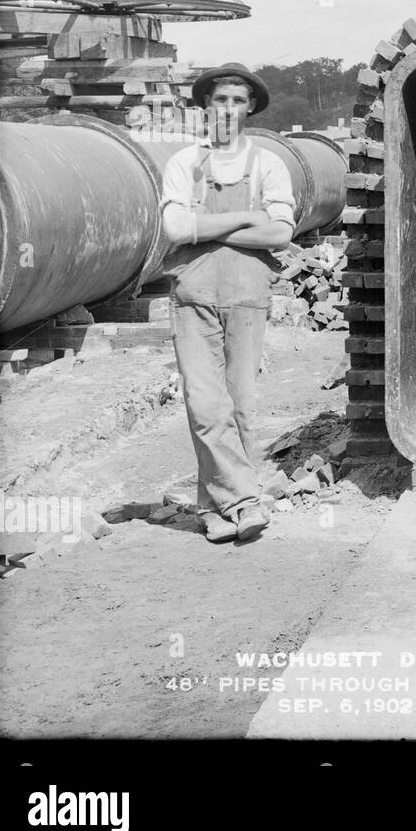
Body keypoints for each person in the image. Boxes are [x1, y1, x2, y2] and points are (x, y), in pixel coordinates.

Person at [160, 64, 297, 542]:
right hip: (193, 296)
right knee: (204, 403)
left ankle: (213, 510)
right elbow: (176, 230)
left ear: (250, 108)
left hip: (246, 296)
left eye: (239, 101)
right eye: (220, 100)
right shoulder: (185, 164)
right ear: (205, 106)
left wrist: (211, 225)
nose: (229, 109)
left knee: (239, 406)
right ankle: (244, 500)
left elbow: (281, 232)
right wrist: (247, 218)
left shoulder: (267, 164)